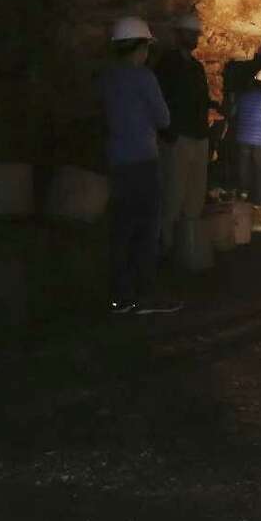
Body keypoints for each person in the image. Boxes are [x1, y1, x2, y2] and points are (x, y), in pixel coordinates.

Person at [97, 18, 173, 314]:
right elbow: (164, 118)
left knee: (121, 231)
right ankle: (145, 296)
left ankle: (120, 297)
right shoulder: (144, 78)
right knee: (146, 231)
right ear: (140, 47)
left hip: (116, 163)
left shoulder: (106, 77)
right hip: (143, 162)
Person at [151, 13, 211, 263]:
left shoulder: (196, 67)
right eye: (191, 34)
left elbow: (200, 100)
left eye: (195, 34)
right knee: (173, 194)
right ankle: (165, 248)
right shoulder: (167, 65)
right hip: (179, 138)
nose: (194, 38)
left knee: (194, 197)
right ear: (178, 35)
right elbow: (160, 101)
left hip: (197, 136)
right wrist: (167, 134)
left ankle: (188, 250)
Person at [231, 68, 261, 206]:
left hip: (242, 137)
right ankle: (260, 200)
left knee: (244, 167)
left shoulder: (244, 96)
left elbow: (232, 112)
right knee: (260, 169)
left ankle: (243, 194)